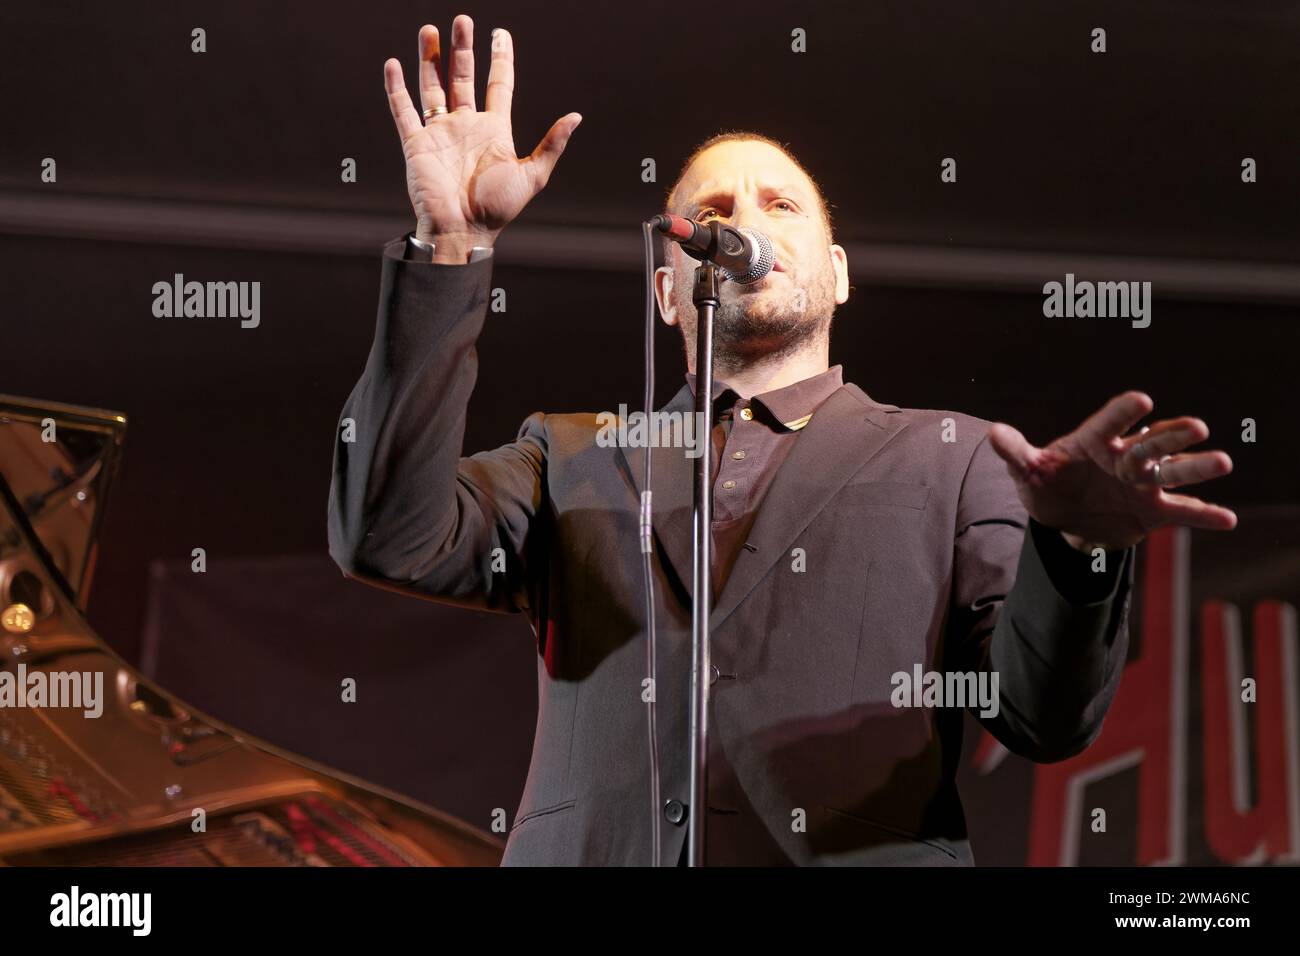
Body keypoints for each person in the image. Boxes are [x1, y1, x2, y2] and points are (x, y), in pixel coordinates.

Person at [327, 14, 1237, 866]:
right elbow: (388, 537)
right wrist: (449, 248)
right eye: (715, 206)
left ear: (838, 276)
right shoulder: (571, 455)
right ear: (665, 288)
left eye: (781, 205)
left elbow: (1041, 717)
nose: (744, 222)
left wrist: (1075, 550)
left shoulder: (953, 457)